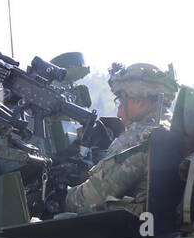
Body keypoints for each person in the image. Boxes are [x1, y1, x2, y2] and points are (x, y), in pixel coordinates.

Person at [65, 62, 178, 215]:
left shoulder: (138, 138)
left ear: (138, 99)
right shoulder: (174, 127)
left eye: (120, 99)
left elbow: (91, 198)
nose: (119, 114)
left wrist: (66, 197)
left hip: (137, 230)